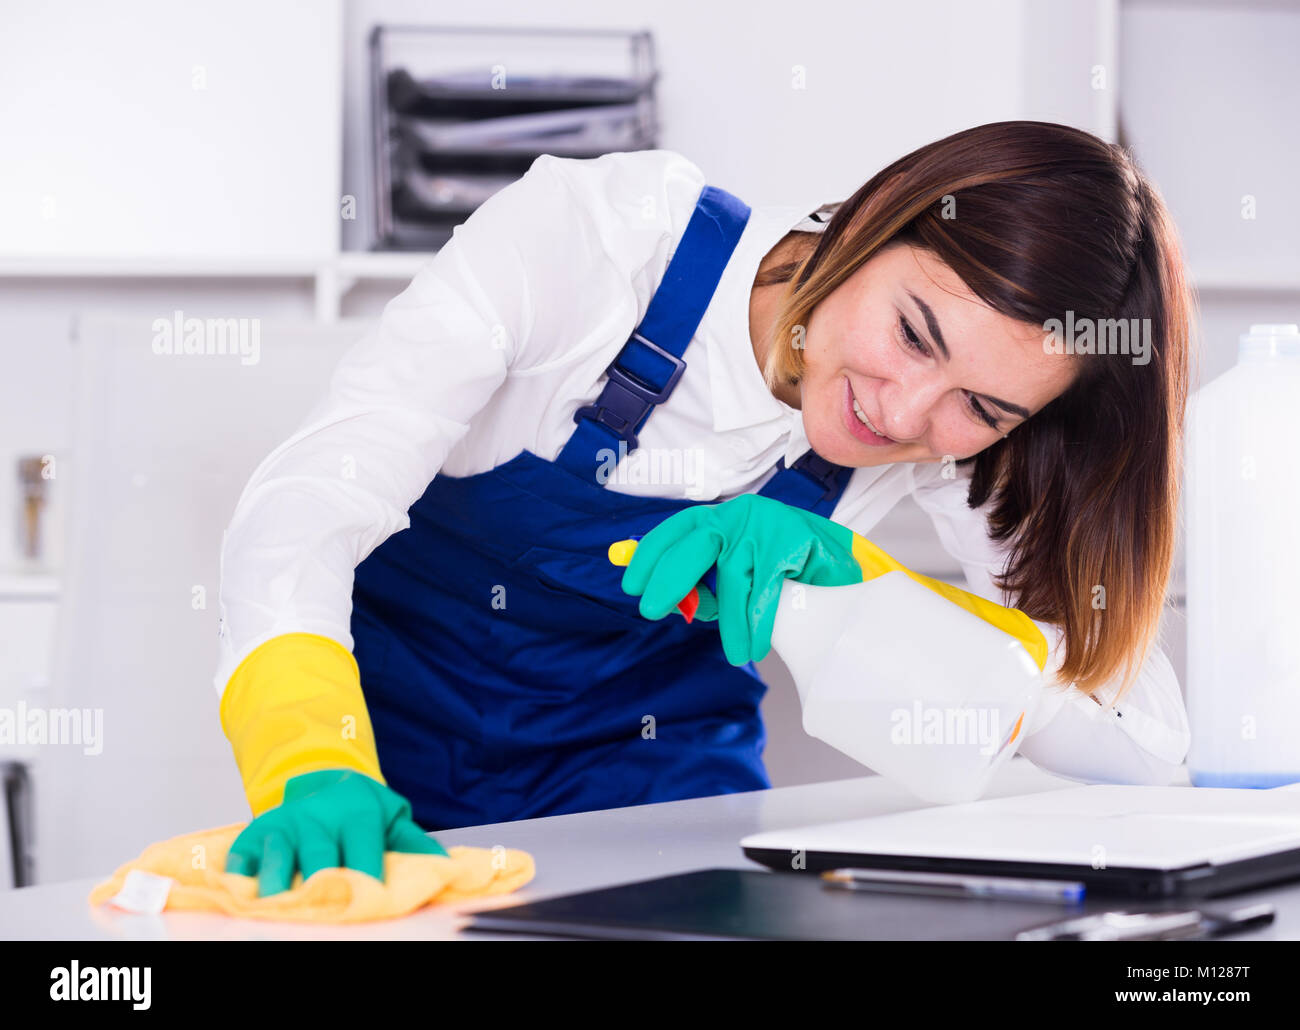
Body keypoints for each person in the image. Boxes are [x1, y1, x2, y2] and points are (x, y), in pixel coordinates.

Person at [214, 121, 1193, 896]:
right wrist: (311, 753)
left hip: (658, 809)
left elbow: (1142, 743)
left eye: (979, 406)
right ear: (873, 215)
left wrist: (876, 585)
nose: (900, 411)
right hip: (378, 774)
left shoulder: (975, 442)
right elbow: (308, 502)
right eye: (912, 331)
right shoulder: (597, 242)